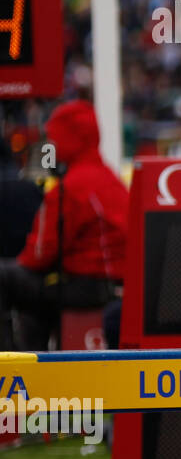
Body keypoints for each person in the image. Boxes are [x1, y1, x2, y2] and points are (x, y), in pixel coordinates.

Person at [0, 101, 128, 351]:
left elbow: (39, 255)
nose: (52, 147)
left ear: (70, 139)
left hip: (88, 286)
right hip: (116, 285)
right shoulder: (111, 179)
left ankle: (7, 361)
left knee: (5, 277)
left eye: (55, 139)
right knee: (36, 295)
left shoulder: (69, 188)